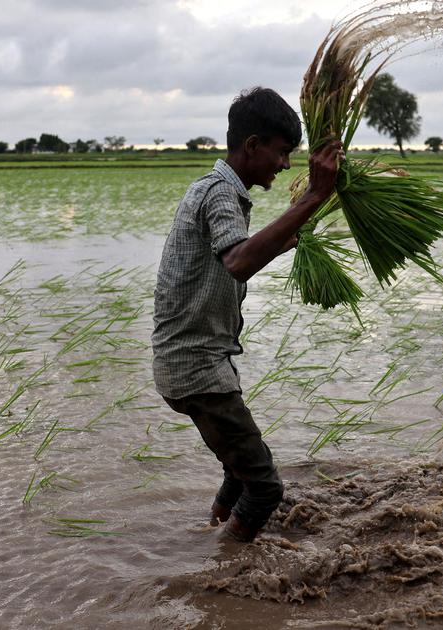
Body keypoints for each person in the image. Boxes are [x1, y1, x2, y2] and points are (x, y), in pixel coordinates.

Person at [151, 87, 342, 543]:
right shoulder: (219, 193)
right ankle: (219, 572)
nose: (285, 165)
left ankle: (209, 532)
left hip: (194, 364)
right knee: (265, 488)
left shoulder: (217, 191)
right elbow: (238, 261)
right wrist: (314, 196)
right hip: (197, 369)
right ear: (252, 145)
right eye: (281, 152)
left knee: (238, 474)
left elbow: (232, 260)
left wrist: (287, 237)